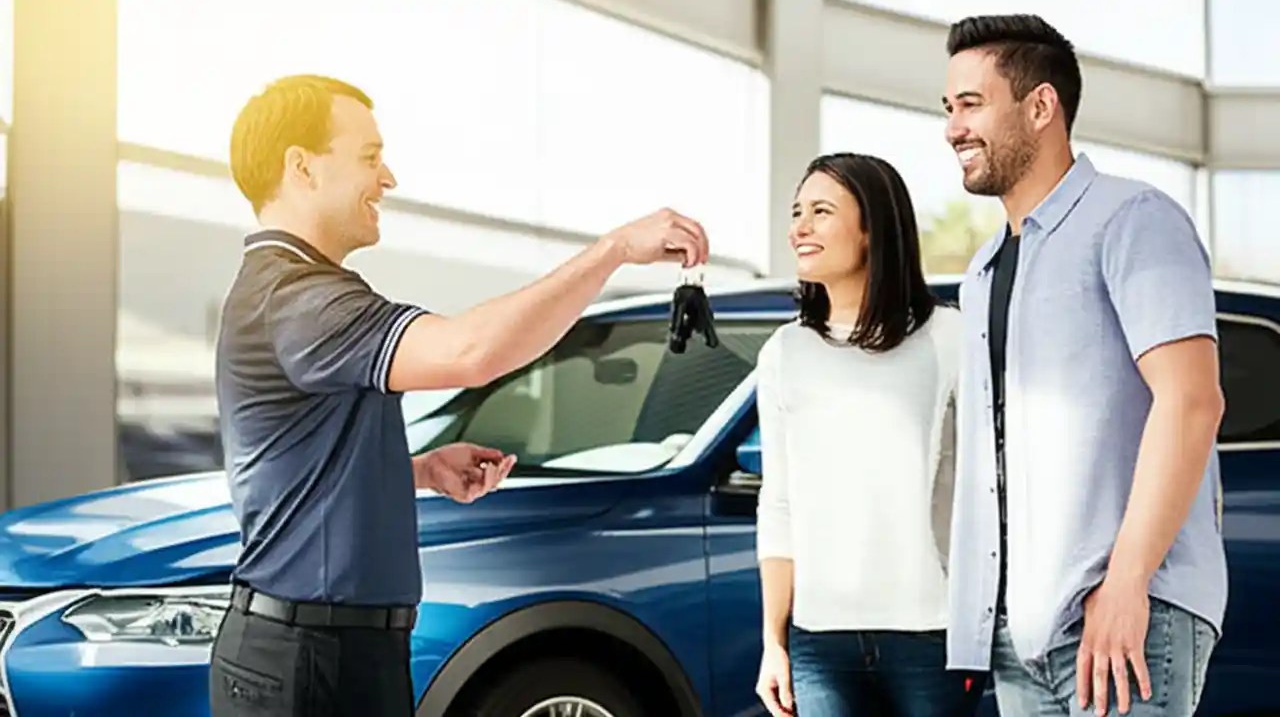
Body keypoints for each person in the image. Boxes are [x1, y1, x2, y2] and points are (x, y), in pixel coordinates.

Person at [208, 74, 710, 716]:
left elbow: (294, 461)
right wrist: (613, 251)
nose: (387, 178)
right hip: (310, 658)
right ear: (302, 168)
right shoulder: (299, 300)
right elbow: (472, 353)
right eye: (368, 157)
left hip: (329, 648)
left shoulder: (289, 294)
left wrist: (412, 471)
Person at [941, 14, 1228, 717]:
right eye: (948, 110)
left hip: (1126, 615)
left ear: (1041, 106)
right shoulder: (982, 272)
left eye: (971, 104)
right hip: (1024, 635)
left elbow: (1192, 401)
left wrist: (1127, 584)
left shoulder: (1131, 218)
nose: (952, 129)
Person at [753, 153, 983, 717]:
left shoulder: (949, 337)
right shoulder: (785, 353)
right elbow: (777, 504)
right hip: (818, 641)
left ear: (872, 229)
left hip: (933, 637)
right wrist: (773, 643)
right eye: (797, 212)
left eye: (821, 211)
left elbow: (986, 489)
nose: (799, 228)